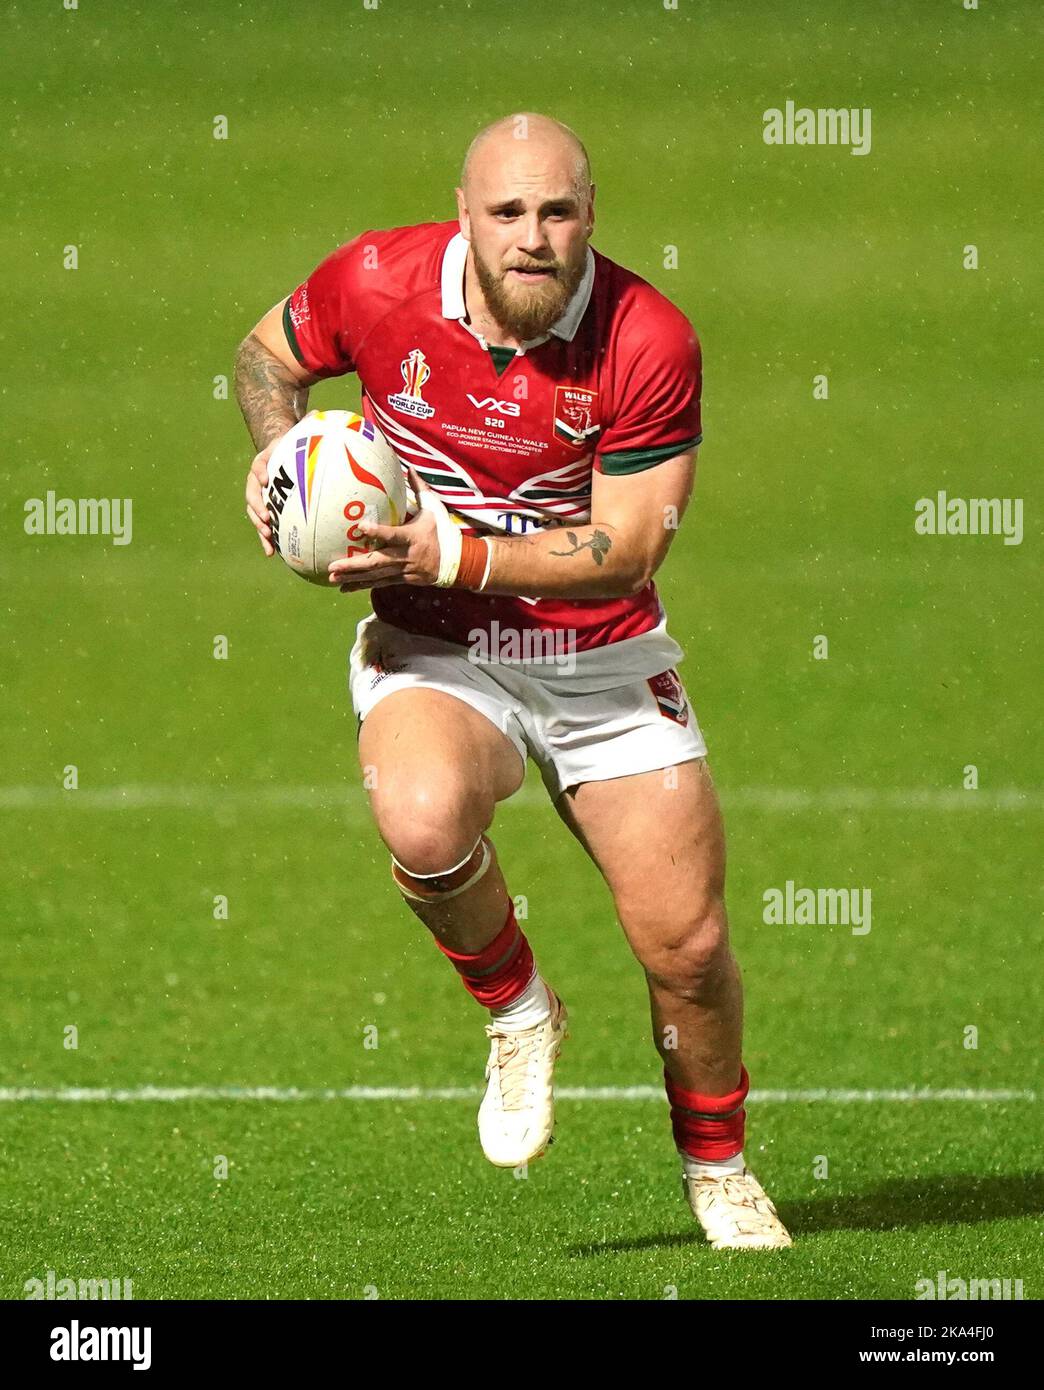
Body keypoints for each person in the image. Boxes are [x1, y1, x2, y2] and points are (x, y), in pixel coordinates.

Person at [236, 112, 792, 1250]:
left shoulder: (648, 338)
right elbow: (263, 357)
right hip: (440, 645)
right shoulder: (378, 279)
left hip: (598, 650)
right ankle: (521, 1014)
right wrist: (274, 452)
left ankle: (719, 1166)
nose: (532, 239)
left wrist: (449, 548)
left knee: (685, 947)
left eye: (558, 211)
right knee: (423, 814)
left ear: (592, 216)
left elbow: (631, 544)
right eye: (507, 213)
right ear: (466, 217)